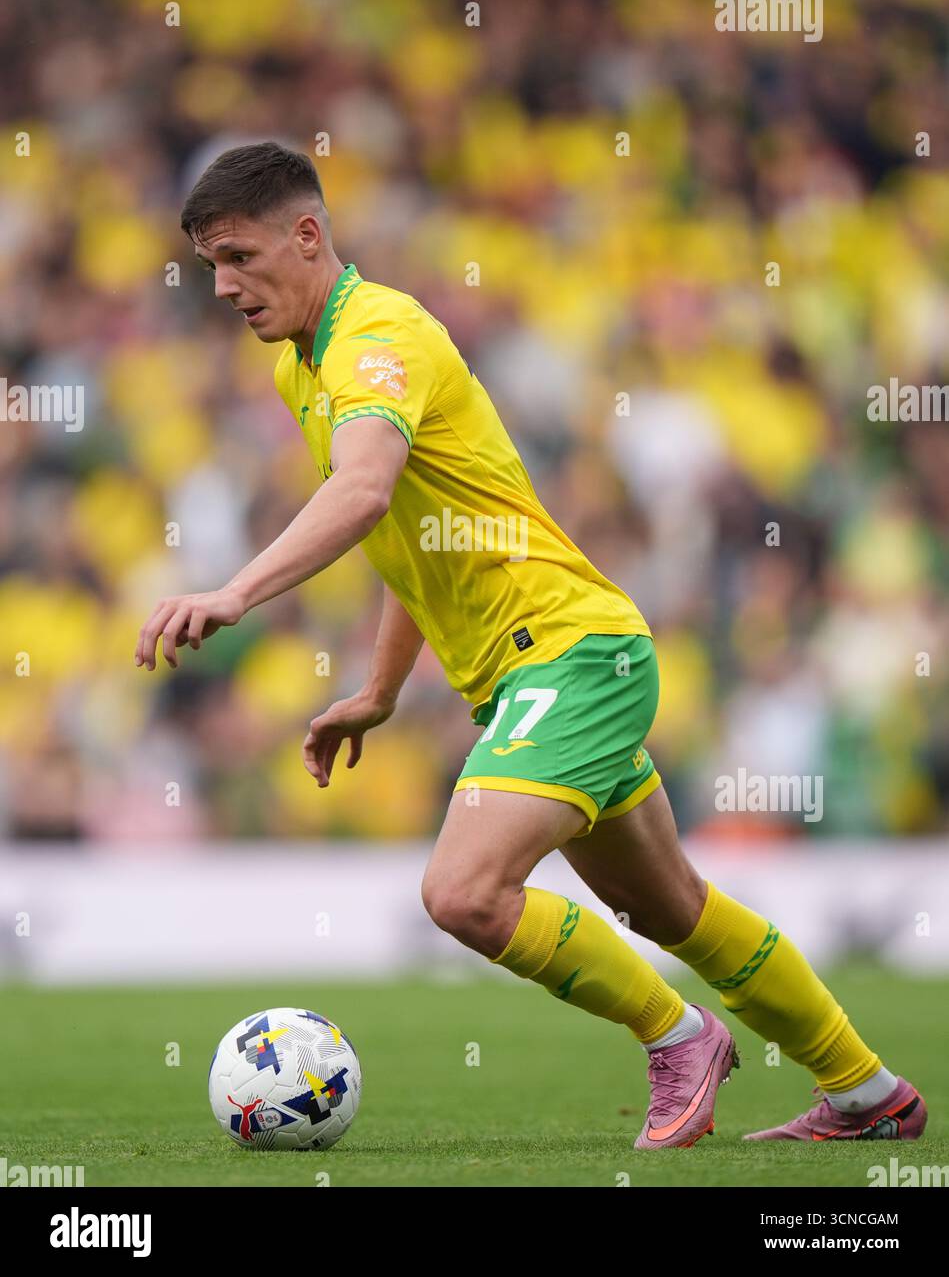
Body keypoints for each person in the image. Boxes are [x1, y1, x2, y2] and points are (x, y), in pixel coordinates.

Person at [135, 142, 926, 1147]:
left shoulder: (377, 334)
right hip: (544, 670)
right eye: (211, 264)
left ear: (307, 235)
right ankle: (868, 1093)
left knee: (462, 892)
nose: (223, 286)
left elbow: (363, 491)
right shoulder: (306, 364)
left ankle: (678, 1037)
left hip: (570, 656)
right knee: (674, 907)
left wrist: (235, 589)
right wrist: (379, 691)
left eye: (239, 256)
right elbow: (409, 534)